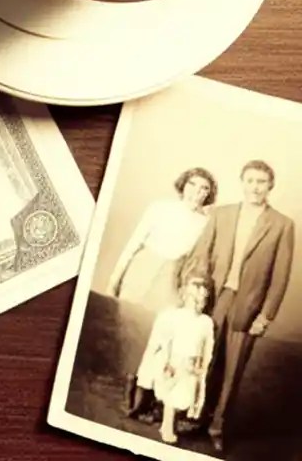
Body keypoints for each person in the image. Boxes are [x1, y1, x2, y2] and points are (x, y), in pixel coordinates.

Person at [183, 160, 296, 452]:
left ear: (270, 186)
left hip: (249, 306)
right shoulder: (221, 214)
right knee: (204, 360)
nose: (255, 187)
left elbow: (280, 275)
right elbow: (202, 256)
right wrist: (196, 291)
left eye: (261, 182)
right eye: (250, 180)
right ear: (241, 182)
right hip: (215, 299)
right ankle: (195, 416)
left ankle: (218, 426)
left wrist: (266, 315)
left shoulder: (282, 225)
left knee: (233, 370)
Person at [108, 167, 217, 312]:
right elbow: (133, 245)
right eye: (192, 184)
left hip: (172, 277)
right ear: (183, 185)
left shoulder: (205, 223)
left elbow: (198, 262)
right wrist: (113, 282)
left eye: (204, 188)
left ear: (208, 194)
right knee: (124, 314)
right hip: (141, 268)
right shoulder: (160, 207)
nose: (197, 191)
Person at [132, 275, 217, 445]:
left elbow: (207, 348)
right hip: (173, 362)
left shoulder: (206, 323)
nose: (199, 300)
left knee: (184, 398)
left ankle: (171, 423)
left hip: (191, 365)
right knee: (171, 397)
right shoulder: (173, 316)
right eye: (194, 295)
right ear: (185, 294)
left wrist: (202, 367)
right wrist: (167, 362)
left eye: (203, 297)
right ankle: (167, 426)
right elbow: (163, 341)